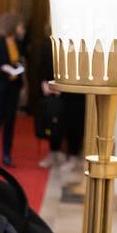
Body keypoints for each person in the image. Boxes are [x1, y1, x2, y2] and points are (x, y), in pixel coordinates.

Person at [35, 25, 85, 170]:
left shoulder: (79, 45)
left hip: (74, 93)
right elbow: (43, 65)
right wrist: (45, 82)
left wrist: (64, 88)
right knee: (52, 120)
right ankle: (54, 153)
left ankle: (73, 156)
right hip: (53, 89)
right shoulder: (49, 43)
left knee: (74, 124)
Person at [0, 11, 26, 167]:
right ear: (13, 27)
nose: (23, 30)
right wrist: (3, 68)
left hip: (12, 90)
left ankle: (7, 155)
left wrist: (19, 67)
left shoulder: (17, 44)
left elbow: (19, 61)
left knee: (10, 124)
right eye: (21, 27)